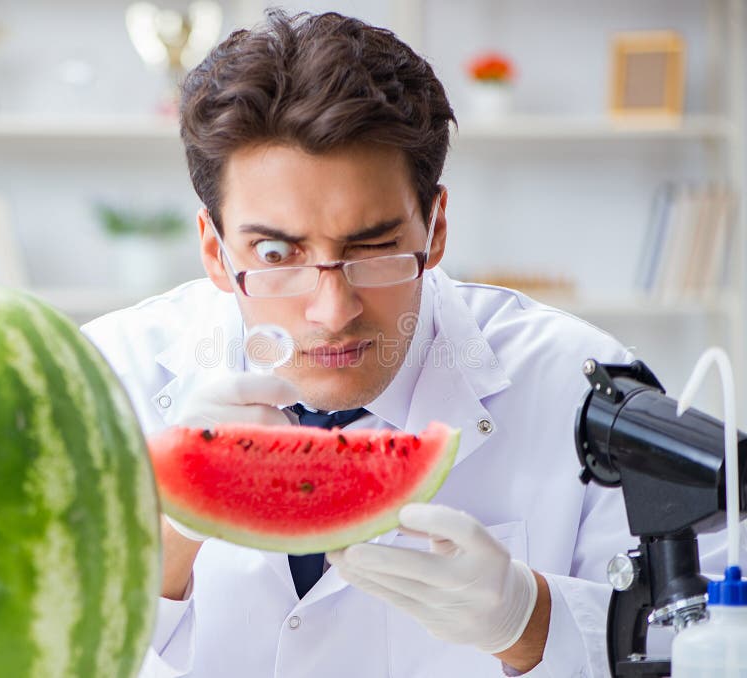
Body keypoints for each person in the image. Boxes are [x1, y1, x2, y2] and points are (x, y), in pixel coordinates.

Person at [81, 10, 720, 677]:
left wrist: (533, 622)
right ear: (214, 250)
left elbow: (716, 646)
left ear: (435, 227)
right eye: (276, 251)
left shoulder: (581, 389)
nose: (332, 311)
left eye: (375, 246)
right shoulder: (103, 384)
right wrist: (171, 535)